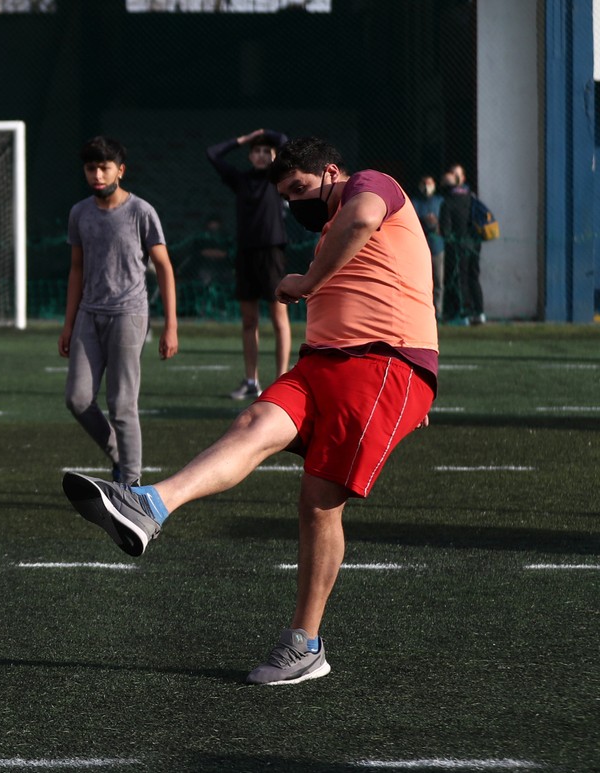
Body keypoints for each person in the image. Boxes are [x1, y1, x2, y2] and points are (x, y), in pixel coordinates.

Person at [62, 137, 437, 686]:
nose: (294, 203)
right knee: (253, 424)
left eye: (300, 189)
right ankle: (149, 505)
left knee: (318, 504)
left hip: (382, 364)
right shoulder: (329, 231)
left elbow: (362, 219)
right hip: (324, 363)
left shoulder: (369, 185)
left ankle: (305, 645)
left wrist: (309, 282)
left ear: (332, 171)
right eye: (285, 196)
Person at [59, 136, 178, 486]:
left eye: (104, 167)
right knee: (78, 399)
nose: (97, 174)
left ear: (120, 171)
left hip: (129, 314)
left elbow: (165, 268)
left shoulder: (141, 212)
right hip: (88, 315)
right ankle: (119, 455)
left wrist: (171, 326)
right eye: (90, 168)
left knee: (122, 404)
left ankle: (132, 485)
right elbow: (76, 270)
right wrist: (68, 324)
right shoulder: (79, 213)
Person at [206, 128, 293, 400]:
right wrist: (242, 139)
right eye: (256, 151)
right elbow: (213, 153)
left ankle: (281, 382)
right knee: (249, 320)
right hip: (246, 254)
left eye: (266, 151)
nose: (261, 155)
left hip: (272, 253)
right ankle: (251, 380)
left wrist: (267, 134)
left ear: (274, 156)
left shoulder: (277, 178)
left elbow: (284, 142)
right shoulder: (240, 179)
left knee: (279, 318)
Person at [440, 164, 485, 325]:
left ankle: (463, 312)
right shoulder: (471, 197)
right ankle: (479, 312)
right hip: (474, 244)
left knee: (461, 278)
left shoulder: (449, 201)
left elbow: (445, 229)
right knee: (474, 276)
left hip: (459, 246)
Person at [412, 175, 445, 320]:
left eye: (430, 183)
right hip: (421, 247)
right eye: (424, 184)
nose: (427, 187)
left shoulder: (440, 201)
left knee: (438, 280)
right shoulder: (415, 202)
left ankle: (438, 312)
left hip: (437, 247)